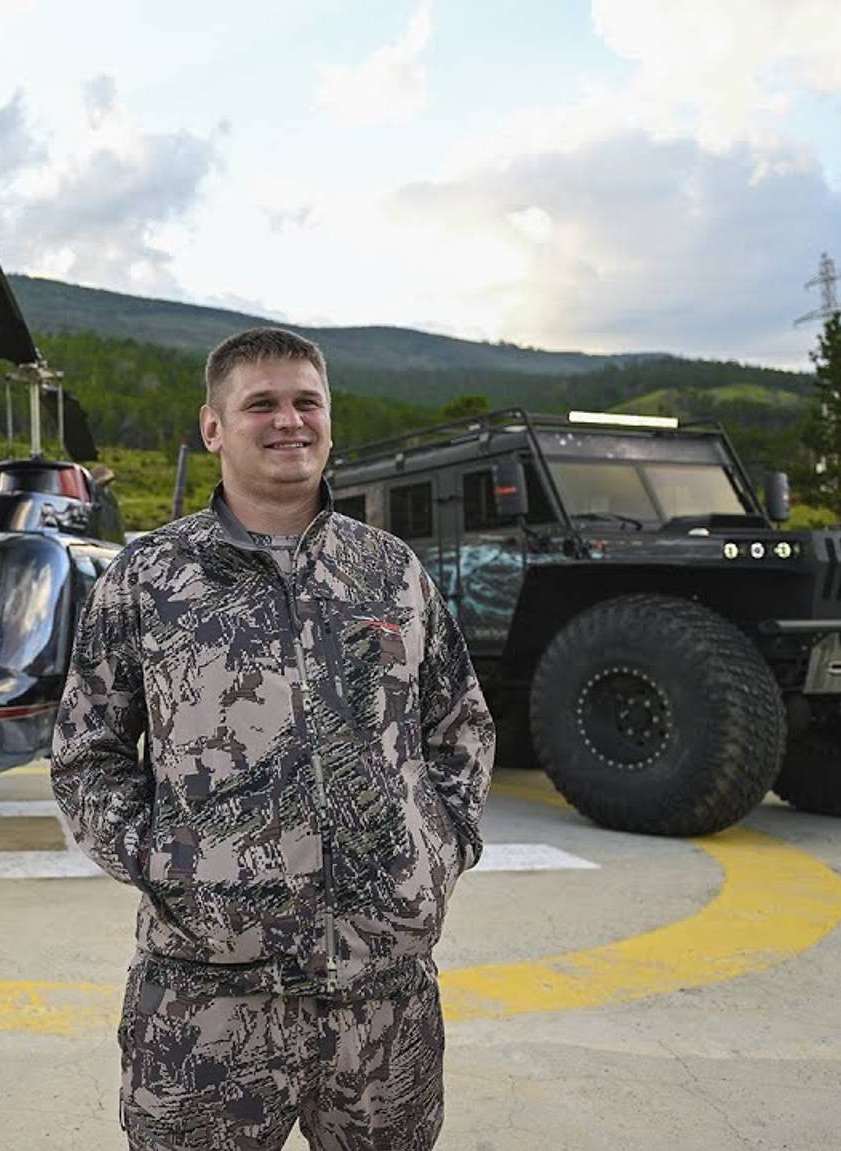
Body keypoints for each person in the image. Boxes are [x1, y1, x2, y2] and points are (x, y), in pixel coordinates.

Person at [51, 327, 495, 1150]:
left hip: (381, 995)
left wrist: (438, 846)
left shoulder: (390, 572)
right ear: (213, 427)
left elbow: (458, 722)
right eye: (261, 403)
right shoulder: (149, 578)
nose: (288, 420)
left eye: (306, 402)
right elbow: (87, 753)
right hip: (207, 997)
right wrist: (164, 863)